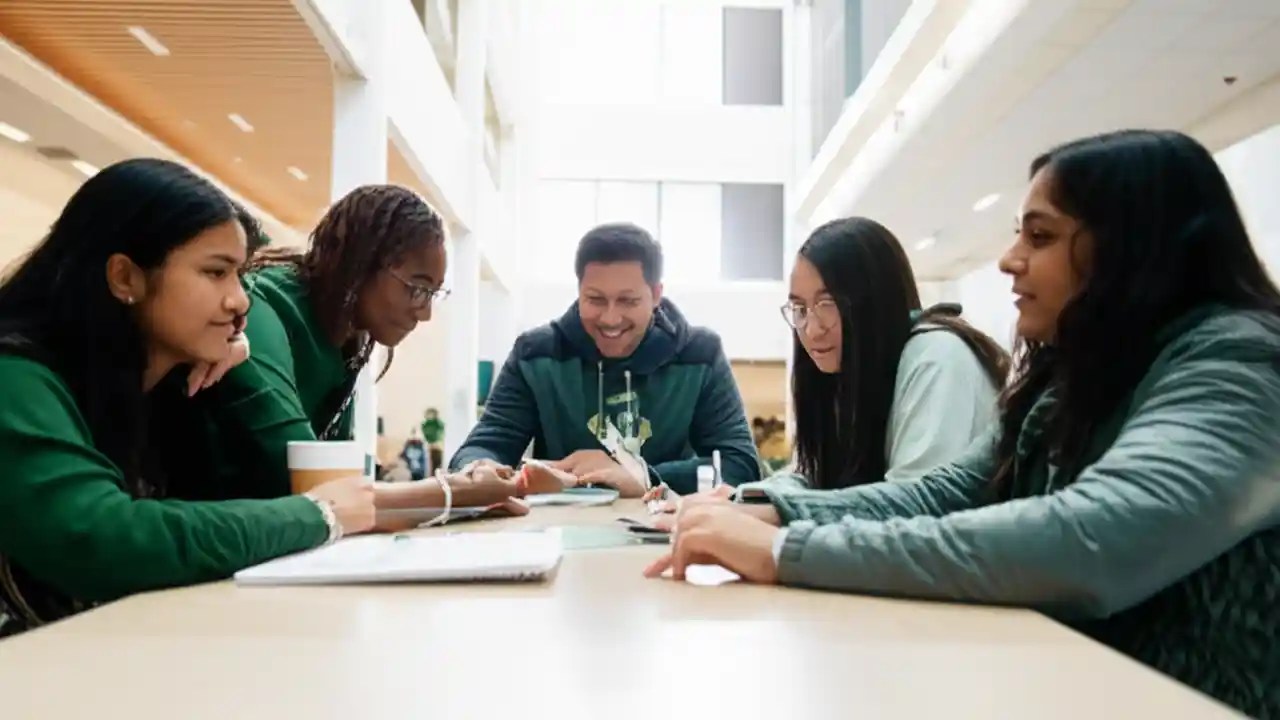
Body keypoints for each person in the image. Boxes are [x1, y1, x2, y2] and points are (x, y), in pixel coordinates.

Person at [645, 130, 1280, 717]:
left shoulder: (1240, 362)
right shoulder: (1072, 376)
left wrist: (786, 551)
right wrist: (772, 514)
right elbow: (941, 493)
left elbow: (1092, 537)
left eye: (1040, 236)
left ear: (1132, 248)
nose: (1008, 260)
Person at [0, 158, 376, 636]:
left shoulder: (158, 384)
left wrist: (214, 361)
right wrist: (320, 513)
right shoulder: (15, 377)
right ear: (125, 278)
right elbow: (103, 539)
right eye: (215, 273)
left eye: (239, 275)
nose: (240, 301)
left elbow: (207, 516)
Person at [179, 184, 528, 519]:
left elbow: (344, 491)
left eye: (433, 294)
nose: (425, 313)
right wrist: (455, 493)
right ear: (362, 262)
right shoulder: (263, 310)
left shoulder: (348, 336)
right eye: (417, 289)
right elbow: (320, 488)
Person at [450, 223, 760, 496]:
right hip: (558, 532)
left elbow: (739, 465)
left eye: (628, 300)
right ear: (579, 291)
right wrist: (479, 468)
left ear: (656, 295)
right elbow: (487, 442)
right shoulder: (535, 353)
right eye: (595, 299)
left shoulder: (701, 354)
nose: (610, 319)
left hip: (665, 532)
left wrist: (641, 475)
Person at [763, 217, 1007, 489]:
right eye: (800, 309)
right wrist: (748, 499)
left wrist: (777, 509)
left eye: (827, 303)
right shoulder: (848, 373)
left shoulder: (937, 358)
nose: (811, 329)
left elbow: (911, 507)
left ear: (874, 301)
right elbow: (810, 472)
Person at [420, 407, 445, 473]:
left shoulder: (438, 423)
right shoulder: (425, 424)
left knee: (438, 462)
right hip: (430, 445)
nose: (430, 416)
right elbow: (425, 434)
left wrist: (437, 442)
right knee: (430, 463)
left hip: (438, 445)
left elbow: (440, 432)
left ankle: (438, 473)